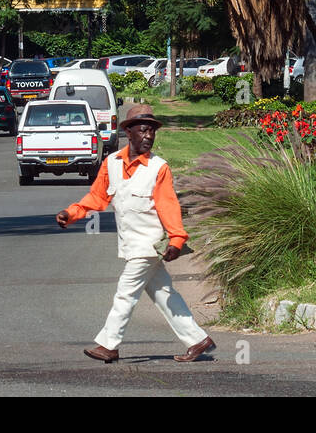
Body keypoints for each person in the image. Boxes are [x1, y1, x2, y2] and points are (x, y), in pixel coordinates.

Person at [56, 104, 215, 363]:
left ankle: (109, 345)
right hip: (132, 245)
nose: (149, 136)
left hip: (149, 247)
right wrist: (71, 213)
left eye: (152, 131)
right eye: (143, 131)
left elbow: (168, 205)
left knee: (125, 293)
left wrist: (176, 239)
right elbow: (97, 197)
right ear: (128, 133)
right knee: (163, 294)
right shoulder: (112, 163)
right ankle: (198, 340)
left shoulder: (158, 168)